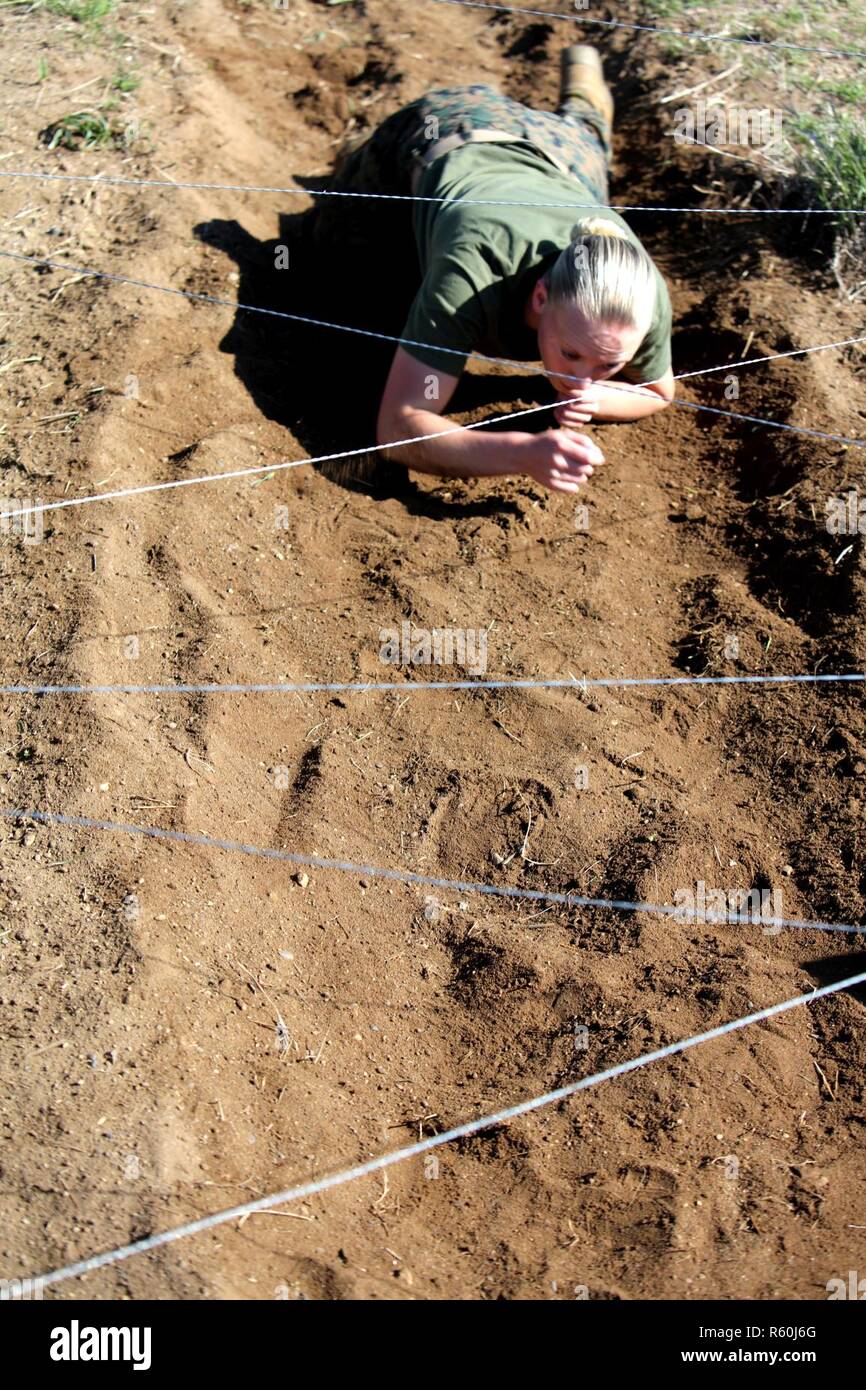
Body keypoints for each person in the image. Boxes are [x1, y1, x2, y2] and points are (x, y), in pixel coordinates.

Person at [311, 47, 675, 494]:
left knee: (586, 132)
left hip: (561, 157)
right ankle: (356, 153)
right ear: (540, 297)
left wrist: (597, 397)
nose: (582, 377)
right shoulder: (472, 273)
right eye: (573, 353)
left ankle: (584, 78)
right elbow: (397, 426)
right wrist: (521, 452)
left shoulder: (641, 295)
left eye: (609, 365)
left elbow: (659, 394)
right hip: (448, 130)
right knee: (325, 255)